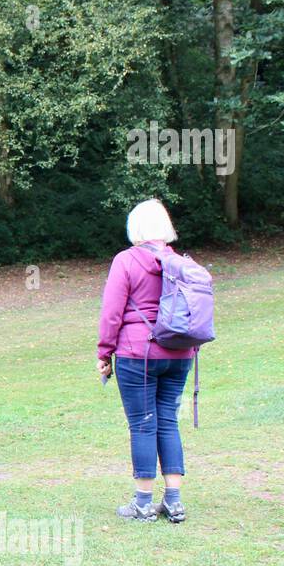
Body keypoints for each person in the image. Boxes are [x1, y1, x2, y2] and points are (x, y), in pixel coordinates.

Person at [96, 199, 193, 523]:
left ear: (135, 228)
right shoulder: (179, 262)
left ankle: (142, 503)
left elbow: (112, 312)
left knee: (142, 423)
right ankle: (174, 502)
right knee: (167, 421)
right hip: (180, 352)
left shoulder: (126, 261)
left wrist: (103, 352)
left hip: (138, 354)